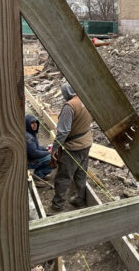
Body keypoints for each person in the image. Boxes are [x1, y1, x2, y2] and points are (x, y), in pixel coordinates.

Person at [51, 83, 93, 211]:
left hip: (73, 147)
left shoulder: (69, 106)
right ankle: (79, 199)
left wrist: (54, 149)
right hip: (86, 143)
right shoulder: (86, 99)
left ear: (66, 93)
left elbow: (63, 131)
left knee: (63, 176)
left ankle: (57, 206)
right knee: (81, 173)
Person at [25, 114, 53, 180]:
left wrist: (45, 149)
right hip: (29, 161)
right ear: (27, 124)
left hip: (31, 158)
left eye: (35, 122)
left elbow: (36, 147)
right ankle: (38, 177)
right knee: (53, 159)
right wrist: (48, 152)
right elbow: (33, 153)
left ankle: (39, 173)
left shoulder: (31, 133)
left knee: (49, 155)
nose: (35, 125)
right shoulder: (28, 136)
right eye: (32, 123)